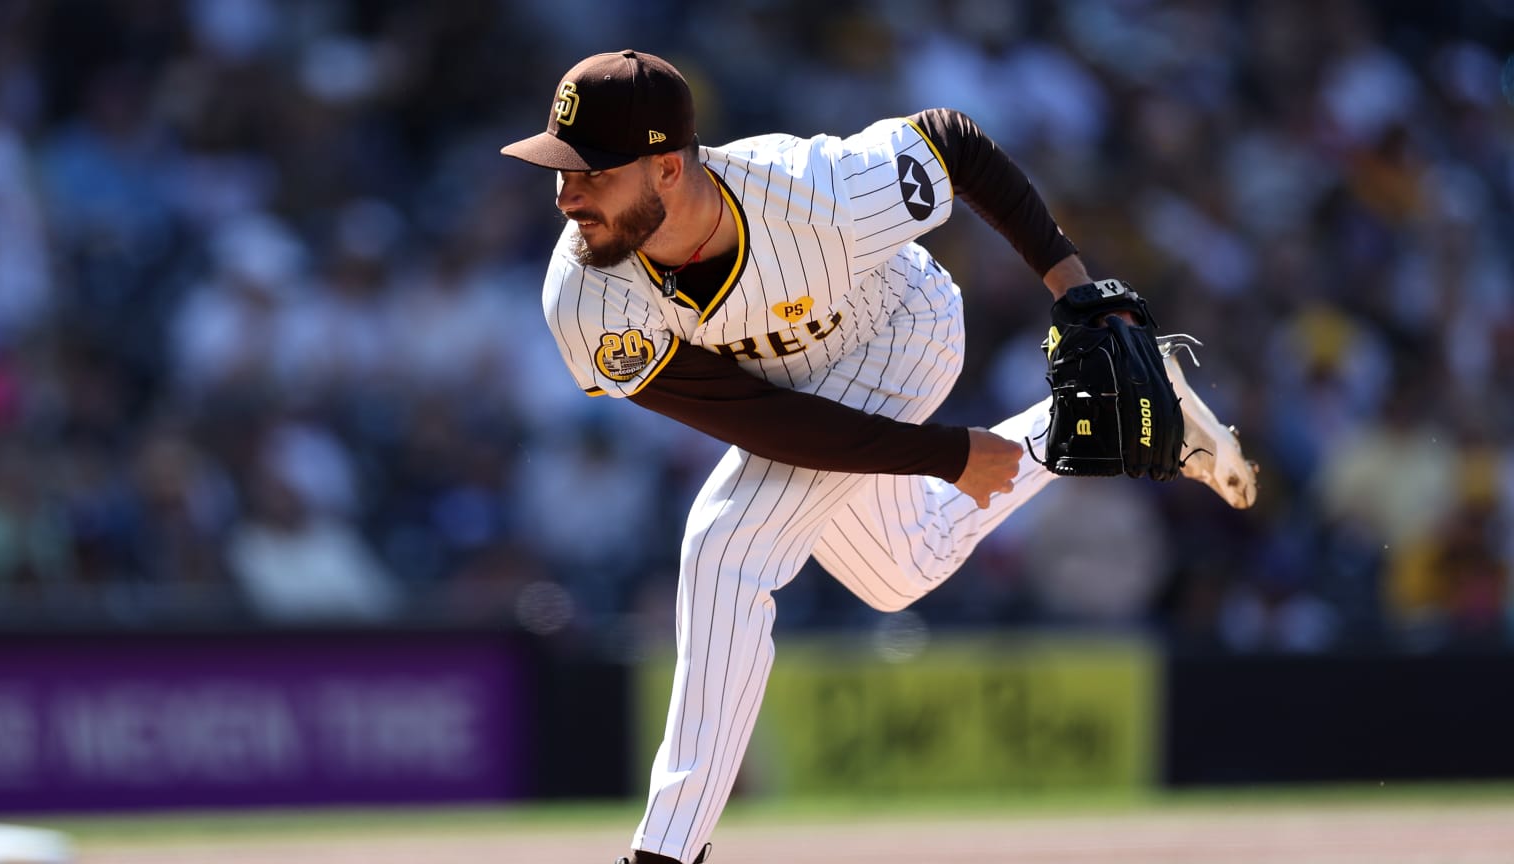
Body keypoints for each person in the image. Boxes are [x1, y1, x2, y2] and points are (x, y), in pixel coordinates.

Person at [501, 49, 1256, 864]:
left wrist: (1071, 287)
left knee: (726, 547)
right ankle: (1090, 420)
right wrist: (942, 455)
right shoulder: (585, 295)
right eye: (558, 170)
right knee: (900, 572)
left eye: (590, 173)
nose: (567, 196)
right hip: (792, 400)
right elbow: (763, 422)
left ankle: (665, 853)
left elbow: (955, 145)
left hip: (902, 333)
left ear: (667, 168)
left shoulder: (815, 191)